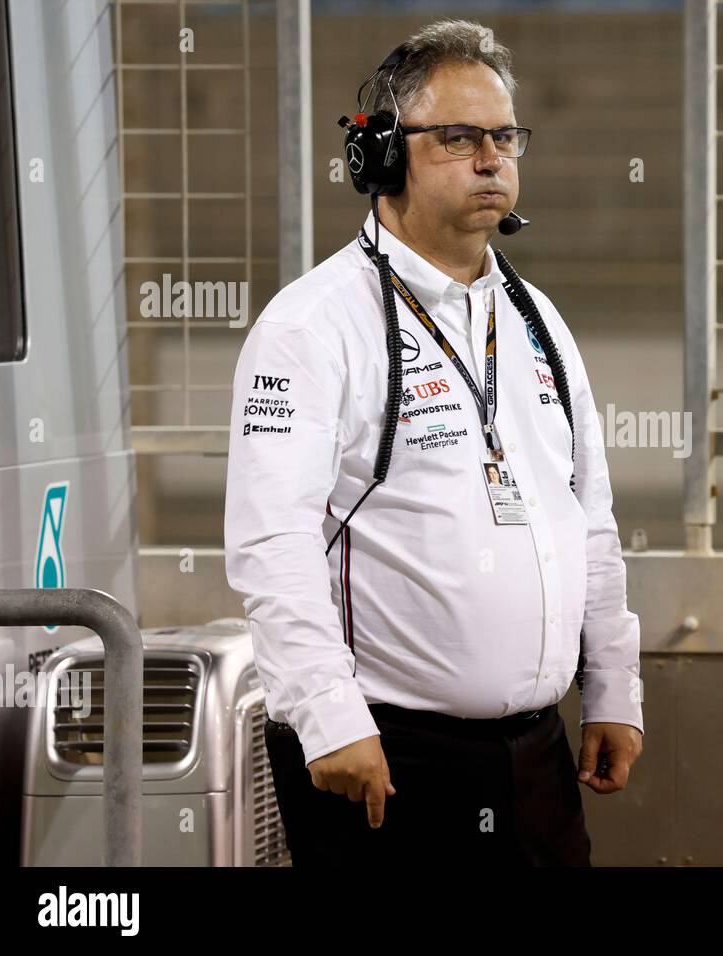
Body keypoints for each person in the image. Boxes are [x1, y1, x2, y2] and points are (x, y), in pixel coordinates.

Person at [224, 18, 642, 867]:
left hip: (538, 758)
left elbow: (589, 521)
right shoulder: (312, 326)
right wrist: (330, 716)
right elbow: (273, 544)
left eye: (505, 136)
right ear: (381, 155)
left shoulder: (536, 320)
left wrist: (613, 687)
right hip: (384, 757)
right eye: (458, 137)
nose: (492, 158)